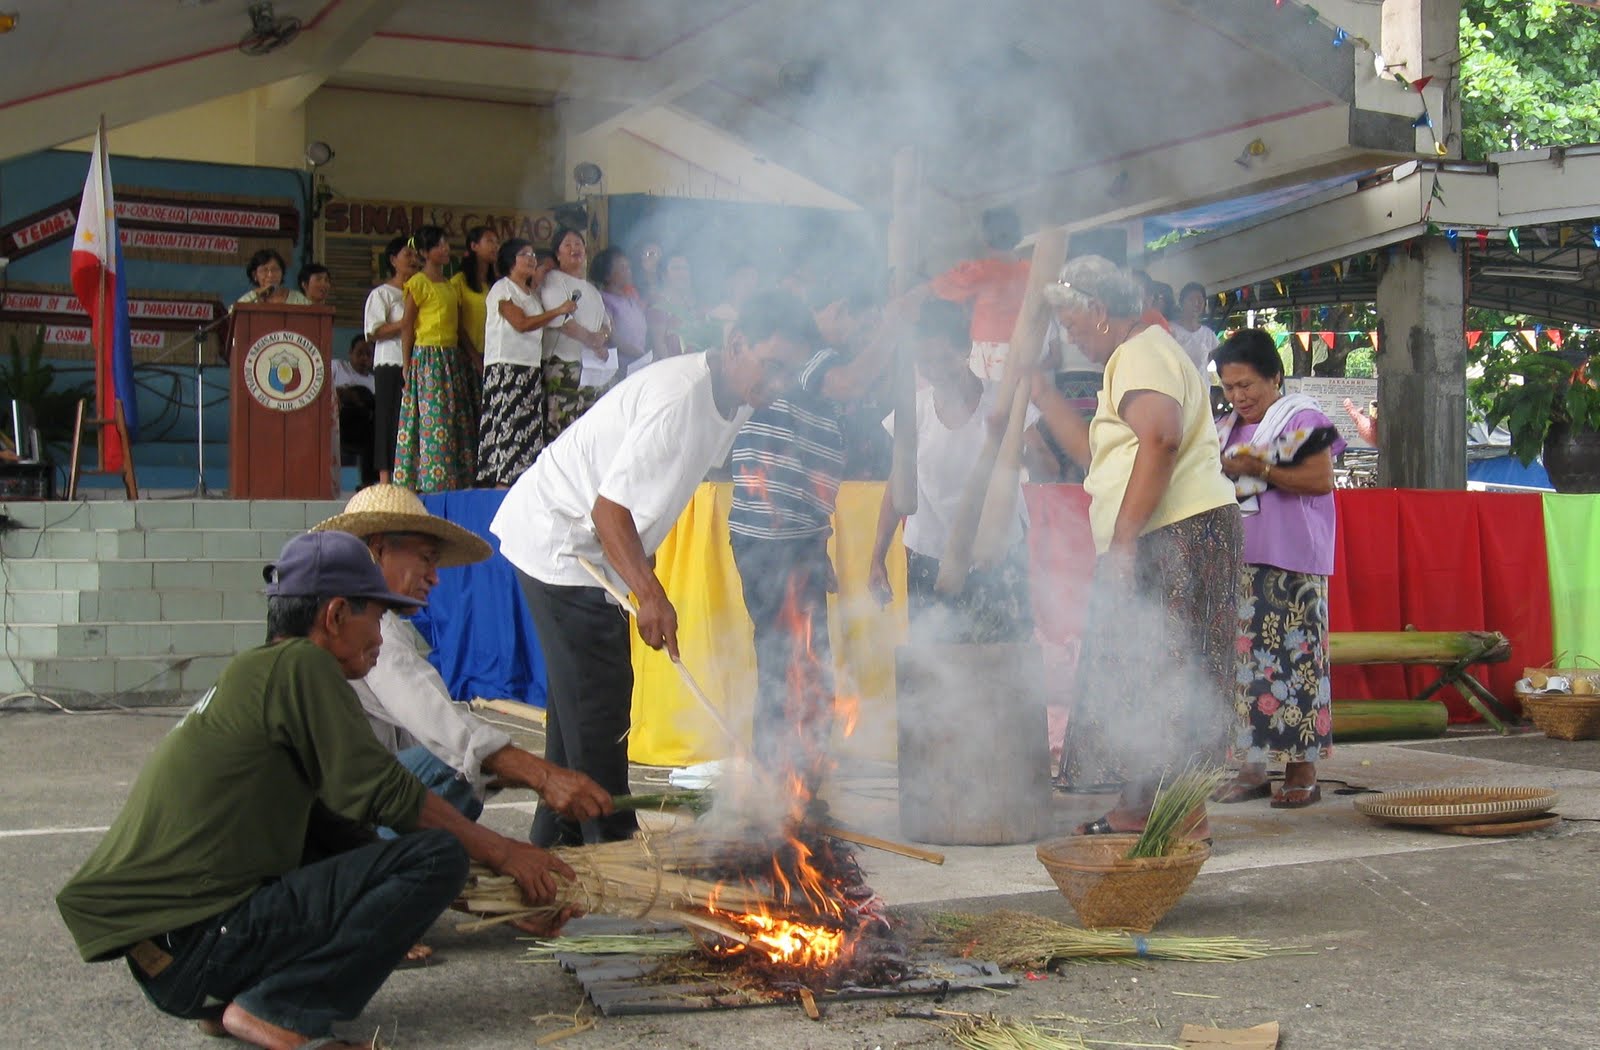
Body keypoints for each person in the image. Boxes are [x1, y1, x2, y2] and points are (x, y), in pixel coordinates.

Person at [56, 531, 576, 1050]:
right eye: (375, 617)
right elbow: (388, 794)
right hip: (199, 949)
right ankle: (278, 1009)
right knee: (437, 853)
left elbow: (343, 836)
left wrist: (496, 900)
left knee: (343, 838)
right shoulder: (302, 666)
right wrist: (506, 851)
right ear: (333, 616)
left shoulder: (258, 673)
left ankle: (237, 1001)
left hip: (176, 965)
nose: (380, 634)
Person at [491, 289, 820, 848]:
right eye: (774, 365)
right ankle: (615, 848)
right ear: (736, 344)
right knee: (600, 701)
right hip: (562, 541)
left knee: (578, 708)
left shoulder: (737, 394)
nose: (780, 383)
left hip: (588, 544)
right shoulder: (680, 398)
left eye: (792, 371)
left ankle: (552, 849)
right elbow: (609, 511)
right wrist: (650, 594)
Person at [1033, 256, 1240, 841]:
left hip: (1172, 531)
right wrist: (1042, 393)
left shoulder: (1142, 352)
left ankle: (1182, 814)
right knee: (1135, 667)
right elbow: (1099, 457)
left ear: (1100, 311)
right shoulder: (1137, 354)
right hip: (1169, 529)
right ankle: (1136, 807)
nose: (1071, 337)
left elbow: (1161, 437)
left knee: (1168, 668)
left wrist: (1124, 542)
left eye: (1073, 324)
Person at [313, 485, 614, 826]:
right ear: (379, 549)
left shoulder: (375, 623)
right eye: (426, 560)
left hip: (355, 798)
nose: (434, 578)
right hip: (343, 815)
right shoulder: (365, 628)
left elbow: (422, 731)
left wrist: (528, 777)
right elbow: (440, 724)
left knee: (463, 764)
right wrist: (544, 777)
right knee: (454, 763)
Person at [728, 288, 908, 784]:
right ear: (828, 311)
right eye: (852, 313)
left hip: (795, 540)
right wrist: (896, 322)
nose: (858, 327)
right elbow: (851, 382)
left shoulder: (809, 370)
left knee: (806, 662)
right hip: (769, 540)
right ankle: (779, 780)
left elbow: (809, 469)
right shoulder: (808, 358)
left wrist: (818, 543)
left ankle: (797, 777)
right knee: (788, 662)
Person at [1209, 330, 1344, 808]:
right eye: (1229, 387)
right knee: (1244, 671)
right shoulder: (1224, 427)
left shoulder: (1302, 417)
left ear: (1275, 377)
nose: (1239, 396)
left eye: (1247, 385)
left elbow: (1318, 478)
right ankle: (1249, 769)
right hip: (1238, 561)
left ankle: (1302, 769)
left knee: (1296, 663)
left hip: (1291, 563)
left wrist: (1259, 467)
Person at [868, 298, 1037, 645]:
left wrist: (1020, 447)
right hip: (931, 558)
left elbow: (1045, 464)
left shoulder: (1002, 404)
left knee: (1003, 661)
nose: (936, 368)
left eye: (944, 358)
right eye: (925, 361)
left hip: (997, 558)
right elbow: (897, 485)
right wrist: (876, 557)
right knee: (937, 667)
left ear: (966, 349)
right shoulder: (913, 412)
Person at [478, 240, 576, 487]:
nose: (532, 258)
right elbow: (521, 324)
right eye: (524, 254)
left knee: (528, 427)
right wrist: (557, 311)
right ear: (511, 260)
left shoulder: (532, 294)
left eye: (533, 254)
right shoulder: (503, 289)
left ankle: (521, 482)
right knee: (508, 425)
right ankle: (501, 483)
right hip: (506, 367)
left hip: (529, 367)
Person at [396, 225, 479, 493]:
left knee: (457, 418)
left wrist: (471, 357)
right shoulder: (418, 283)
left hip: (452, 358)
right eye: (438, 246)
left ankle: (456, 479)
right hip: (429, 357)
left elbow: (459, 327)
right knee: (435, 420)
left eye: (446, 244)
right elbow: (407, 326)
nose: (445, 249)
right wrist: (407, 364)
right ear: (423, 252)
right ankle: (432, 481)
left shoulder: (451, 284)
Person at [928, 205, 1029, 380]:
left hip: (989, 357)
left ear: (985, 236)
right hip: (1028, 355)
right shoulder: (1031, 270)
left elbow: (939, 289)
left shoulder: (980, 270)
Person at [539, 227, 613, 443]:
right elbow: (563, 322)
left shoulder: (591, 289)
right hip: (564, 367)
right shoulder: (554, 280)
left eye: (579, 244)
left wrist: (602, 337)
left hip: (591, 369)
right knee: (562, 432)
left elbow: (607, 324)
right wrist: (593, 340)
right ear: (558, 254)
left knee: (589, 431)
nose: (575, 248)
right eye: (568, 244)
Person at [366, 235, 419, 485]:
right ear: (393, 260)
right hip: (391, 362)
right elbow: (374, 331)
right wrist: (405, 323)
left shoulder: (420, 290)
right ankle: (386, 479)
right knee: (389, 419)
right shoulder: (382, 294)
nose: (413, 259)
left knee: (412, 420)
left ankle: (410, 476)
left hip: (418, 362)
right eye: (407, 254)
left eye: (415, 255)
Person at [591, 246, 651, 378]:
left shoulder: (630, 300)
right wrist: (639, 354)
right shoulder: (603, 300)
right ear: (607, 275)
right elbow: (612, 335)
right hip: (618, 370)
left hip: (638, 365)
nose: (629, 272)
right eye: (623, 268)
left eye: (628, 267)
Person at [450, 225, 500, 368]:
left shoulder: (497, 284)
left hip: (494, 355)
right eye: (490, 241)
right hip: (468, 357)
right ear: (474, 246)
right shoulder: (458, 282)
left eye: (497, 242)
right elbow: (458, 327)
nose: (495, 246)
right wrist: (475, 357)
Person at [333, 335, 378, 488]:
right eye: (360, 353)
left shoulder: (375, 382)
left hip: (364, 430)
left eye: (368, 354)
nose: (364, 358)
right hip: (339, 423)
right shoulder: (337, 367)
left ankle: (368, 483)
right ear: (350, 353)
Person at [1171, 281, 1220, 378]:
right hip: (1176, 391)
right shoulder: (1170, 329)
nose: (1196, 303)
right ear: (1181, 303)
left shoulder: (1208, 334)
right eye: (1191, 300)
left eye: (1200, 300)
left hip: (1202, 391)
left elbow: (1219, 359)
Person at [236, 249, 309, 306]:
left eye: (275, 269)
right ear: (255, 275)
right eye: (265, 270)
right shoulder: (248, 300)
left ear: (282, 273)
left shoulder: (298, 299)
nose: (270, 275)